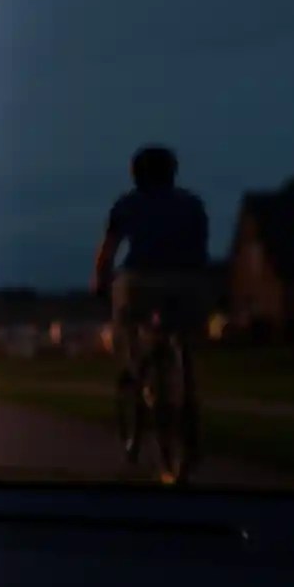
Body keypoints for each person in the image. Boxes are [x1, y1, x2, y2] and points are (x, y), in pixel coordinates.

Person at [92, 145, 210, 470]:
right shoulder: (193, 204)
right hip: (189, 282)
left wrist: (100, 282)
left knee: (126, 318)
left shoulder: (127, 205)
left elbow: (108, 253)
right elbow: (200, 248)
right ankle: (186, 397)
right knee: (183, 340)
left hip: (141, 282)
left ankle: (134, 367)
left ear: (135, 174)